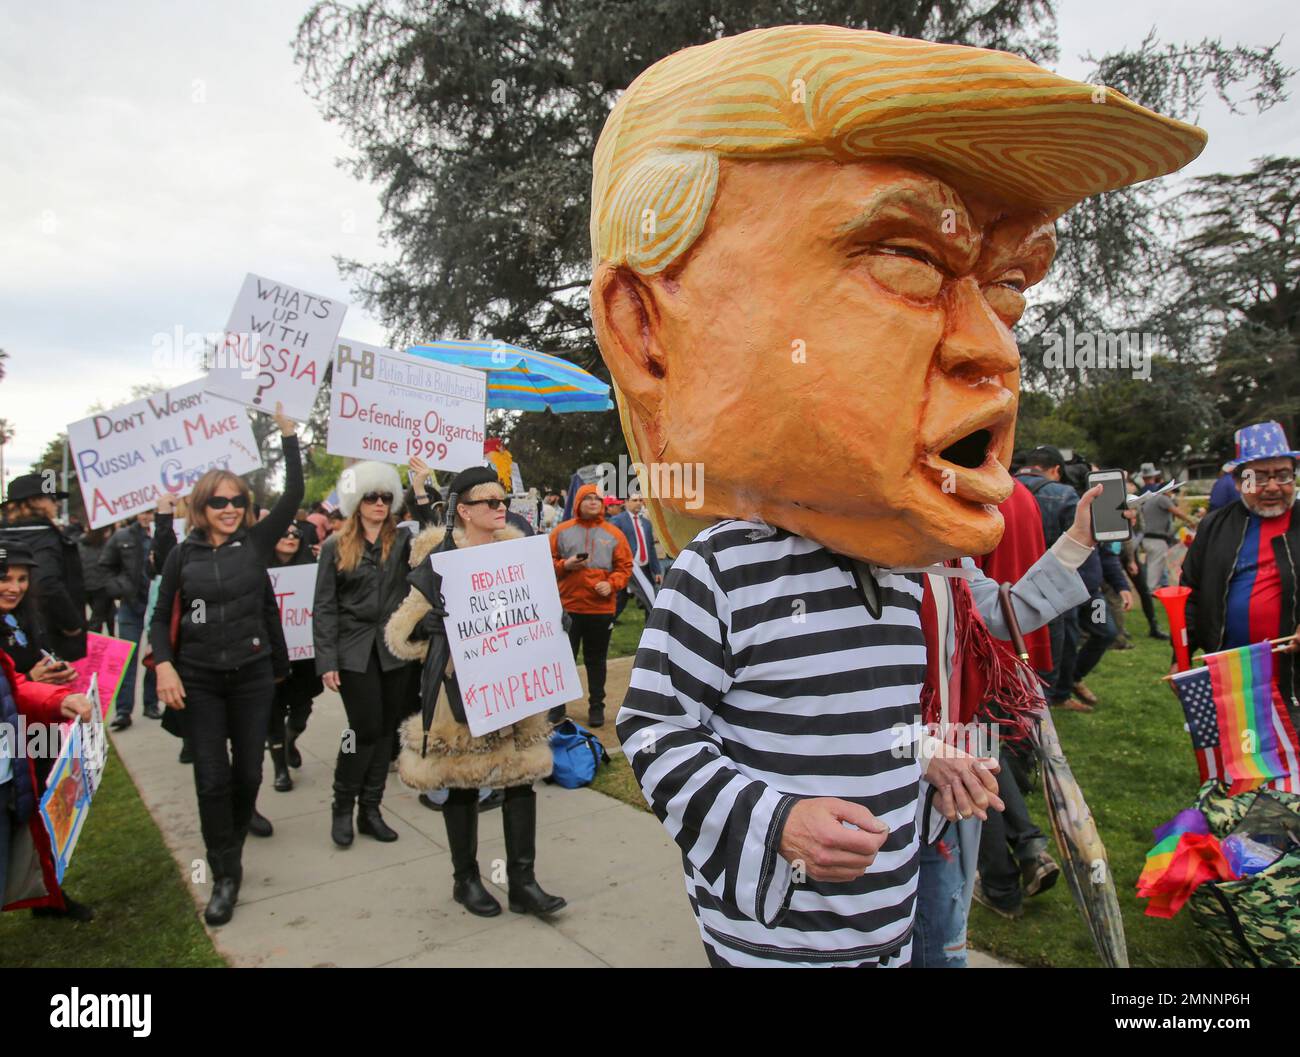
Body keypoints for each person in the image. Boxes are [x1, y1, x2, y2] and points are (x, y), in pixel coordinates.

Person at [591, 25, 1202, 964]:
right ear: (647, 330)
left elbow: (878, 722)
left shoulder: (916, 572)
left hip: (883, 923)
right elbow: (656, 729)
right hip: (772, 941)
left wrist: (936, 754)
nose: (994, 349)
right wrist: (779, 819)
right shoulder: (720, 572)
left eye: (1006, 288)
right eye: (908, 260)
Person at [385, 465, 564, 918]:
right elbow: (398, 636)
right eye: (490, 502)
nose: (501, 507)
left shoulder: (518, 555)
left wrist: (552, 621)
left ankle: (523, 883)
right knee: (462, 783)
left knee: (520, 780)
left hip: (513, 687)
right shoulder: (440, 560)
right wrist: (427, 629)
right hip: (459, 691)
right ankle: (465, 880)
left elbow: (541, 609)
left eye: (502, 500)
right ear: (463, 510)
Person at [150, 404, 301, 926]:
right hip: (199, 680)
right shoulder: (181, 555)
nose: (230, 508)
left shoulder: (254, 544)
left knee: (249, 772)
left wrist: (288, 436)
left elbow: (296, 496)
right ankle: (225, 872)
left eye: (238, 501)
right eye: (219, 502)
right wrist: (164, 667)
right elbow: (156, 618)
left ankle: (232, 836)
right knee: (211, 778)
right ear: (201, 507)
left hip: (252, 676)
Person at [313, 457, 434, 848]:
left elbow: (435, 540)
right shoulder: (334, 546)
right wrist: (326, 660)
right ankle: (341, 805)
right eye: (371, 497)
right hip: (353, 652)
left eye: (385, 497)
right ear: (356, 502)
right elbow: (325, 606)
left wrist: (419, 488)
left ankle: (371, 810)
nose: (379, 504)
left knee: (386, 732)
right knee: (361, 729)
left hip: (393, 649)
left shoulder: (401, 542)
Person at [1180, 422, 1300, 728]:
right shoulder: (1215, 526)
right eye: (1258, 477)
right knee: (1241, 765)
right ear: (1237, 482)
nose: (1272, 486)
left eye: (1283, 475)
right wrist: (1181, 654)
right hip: (1233, 679)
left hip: (1295, 682)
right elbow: (1191, 591)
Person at [0, 541, 97, 919]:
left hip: (27, 741)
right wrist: (32, 681)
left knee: (37, 818)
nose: (15, 587)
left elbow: (18, 684)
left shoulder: (22, 617)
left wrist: (56, 688)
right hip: (17, 738)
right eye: (5, 578)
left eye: (22, 579)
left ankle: (47, 895)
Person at [547, 483, 632, 728]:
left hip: (600, 610)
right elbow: (545, 564)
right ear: (578, 503)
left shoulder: (614, 534)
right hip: (568, 609)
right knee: (564, 661)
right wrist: (565, 565)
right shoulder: (561, 532)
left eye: (597, 498)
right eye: (587, 498)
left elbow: (625, 568)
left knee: (597, 661)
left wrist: (612, 584)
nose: (593, 502)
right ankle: (557, 707)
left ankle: (597, 706)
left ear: (603, 504)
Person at [101, 496, 176, 729]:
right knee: (127, 658)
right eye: (143, 512)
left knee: (156, 655)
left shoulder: (163, 536)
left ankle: (151, 703)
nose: (147, 517)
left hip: (157, 606)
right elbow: (105, 567)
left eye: (151, 512)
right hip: (131, 607)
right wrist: (119, 589)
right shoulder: (122, 537)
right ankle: (123, 710)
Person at [0, 473, 86, 663]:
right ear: (35, 501)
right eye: (52, 499)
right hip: (44, 635)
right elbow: (46, 583)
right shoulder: (45, 537)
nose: (56, 505)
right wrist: (71, 624)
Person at [267, 522, 322, 792]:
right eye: (284, 532)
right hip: (271, 657)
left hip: (302, 658)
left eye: (295, 534)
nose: (290, 538)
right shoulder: (257, 569)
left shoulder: (311, 569)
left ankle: (290, 740)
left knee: (302, 709)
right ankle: (279, 769)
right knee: (273, 713)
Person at [1136, 462, 1194, 593]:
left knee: (1152, 564)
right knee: (1155, 565)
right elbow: (1177, 513)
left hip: (1146, 537)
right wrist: (1192, 521)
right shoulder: (1162, 498)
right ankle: (1151, 590)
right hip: (1157, 538)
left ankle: (1151, 587)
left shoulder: (1149, 496)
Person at [609, 493, 661, 620]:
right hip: (627, 567)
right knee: (620, 599)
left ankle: (650, 630)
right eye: (634, 500)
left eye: (640, 500)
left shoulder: (646, 523)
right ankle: (607, 623)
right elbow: (611, 545)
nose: (638, 503)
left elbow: (650, 548)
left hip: (645, 567)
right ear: (626, 502)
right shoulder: (618, 520)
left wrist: (657, 570)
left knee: (651, 599)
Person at [78, 525, 117, 636]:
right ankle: (98, 643)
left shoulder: (79, 544)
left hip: (86, 586)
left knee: (102, 616)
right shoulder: (106, 545)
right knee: (98, 619)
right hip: (101, 587)